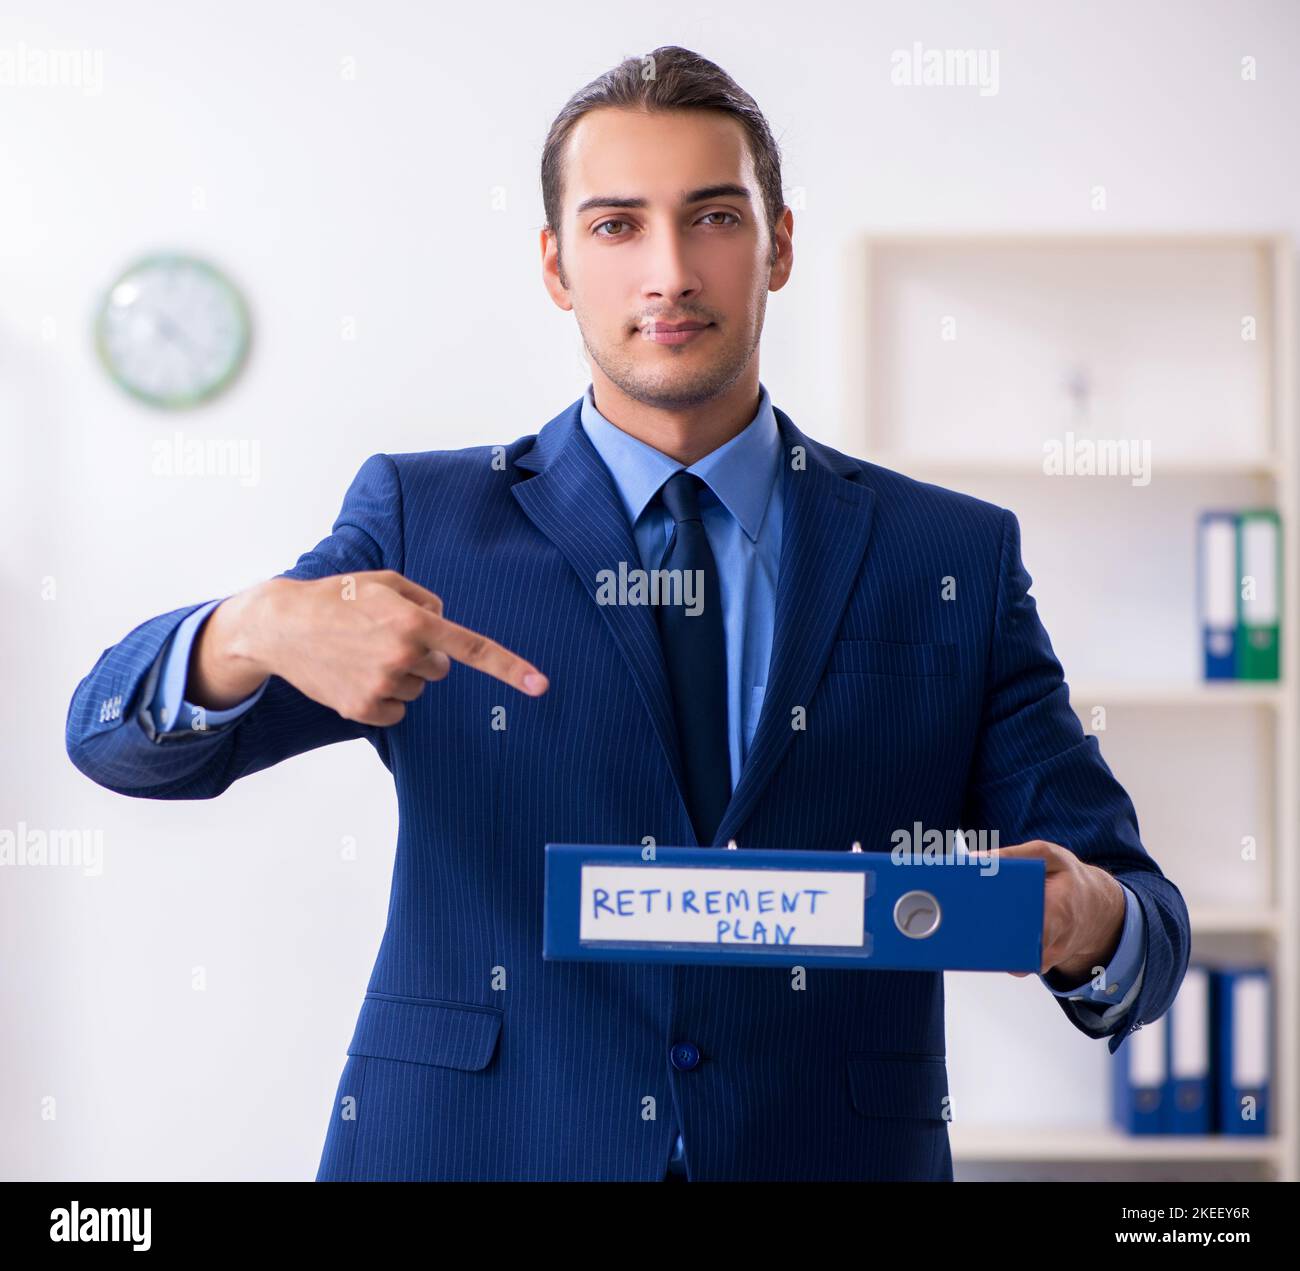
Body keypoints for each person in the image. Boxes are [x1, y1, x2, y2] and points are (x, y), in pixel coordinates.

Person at [66, 45, 1189, 1182]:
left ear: (777, 244)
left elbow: (1141, 923)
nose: (669, 272)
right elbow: (114, 743)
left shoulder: (947, 552)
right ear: (556, 266)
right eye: (616, 227)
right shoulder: (424, 522)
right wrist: (250, 628)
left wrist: (1089, 922)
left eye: (712, 217)